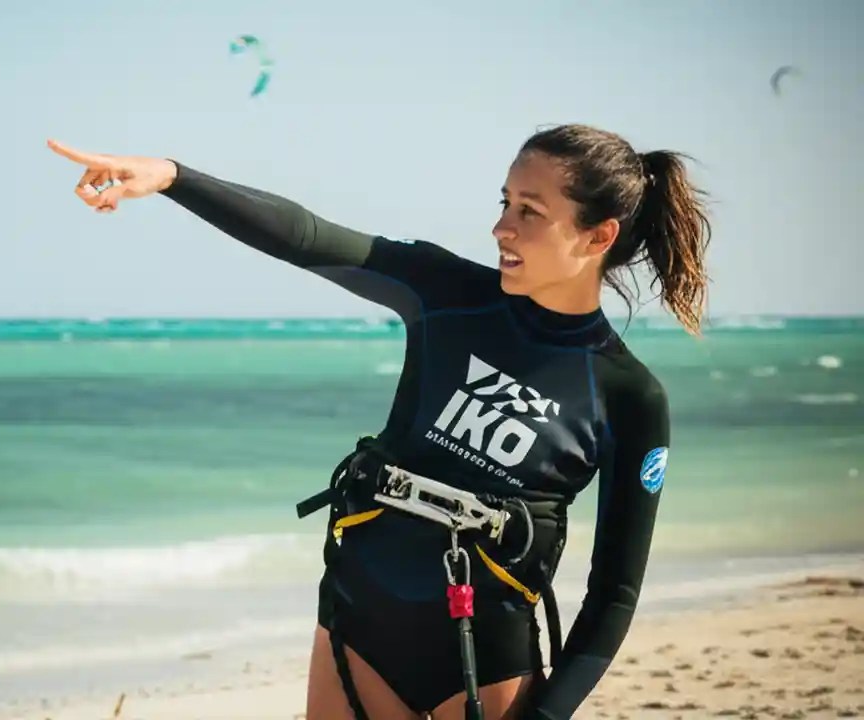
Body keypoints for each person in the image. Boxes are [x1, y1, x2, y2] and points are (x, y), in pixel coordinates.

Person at [46, 123, 711, 720]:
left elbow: (614, 593)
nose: (501, 227)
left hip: (484, 666)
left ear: (598, 236)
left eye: (529, 212)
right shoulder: (447, 294)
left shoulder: (628, 396)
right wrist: (172, 177)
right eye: (504, 202)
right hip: (358, 633)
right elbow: (306, 237)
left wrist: (546, 717)